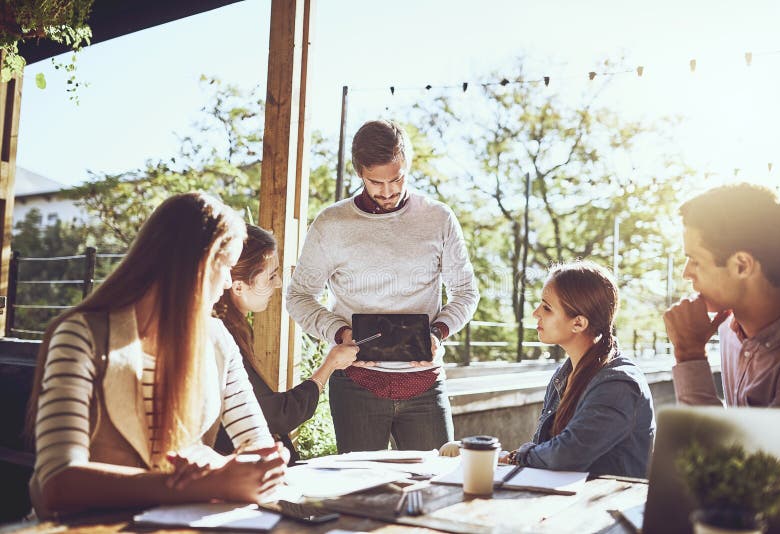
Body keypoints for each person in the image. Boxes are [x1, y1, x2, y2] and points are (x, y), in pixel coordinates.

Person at [26, 193, 287, 519]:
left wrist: (219, 463)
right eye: (226, 268)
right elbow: (57, 483)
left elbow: (261, 450)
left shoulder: (219, 340)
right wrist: (205, 484)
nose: (227, 283)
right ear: (198, 264)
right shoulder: (82, 335)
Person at [286, 119, 479, 453]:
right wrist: (339, 333)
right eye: (376, 182)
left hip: (425, 384)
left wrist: (438, 334)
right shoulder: (331, 224)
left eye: (397, 178)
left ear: (408, 165)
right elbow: (299, 296)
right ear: (359, 172)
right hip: (355, 384)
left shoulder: (439, 218)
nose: (388, 191)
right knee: (361, 495)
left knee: (436, 486)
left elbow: (466, 292)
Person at [213, 224, 359, 463]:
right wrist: (329, 365)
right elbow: (275, 415)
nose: (279, 282)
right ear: (237, 286)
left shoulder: (234, 326)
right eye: (271, 276)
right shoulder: (221, 334)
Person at [500, 261, 655, 478]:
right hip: (567, 499)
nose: (536, 313)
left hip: (605, 507)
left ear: (578, 323)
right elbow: (546, 451)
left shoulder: (618, 383)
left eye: (546, 307)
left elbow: (566, 455)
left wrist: (515, 458)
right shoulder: (563, 376)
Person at [663, 183, 780, 407]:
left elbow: (733, 444)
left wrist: (690, 355)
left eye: (696, 261)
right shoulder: (728, 329)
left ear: (742, 266)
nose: (686, 274)